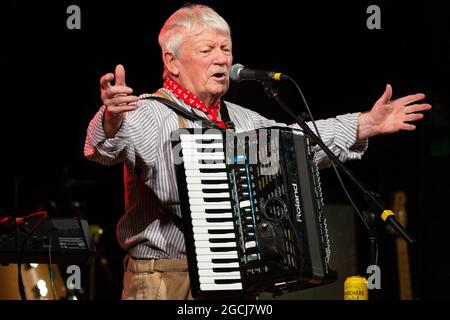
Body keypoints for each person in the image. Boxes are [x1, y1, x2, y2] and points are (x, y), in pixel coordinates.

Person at [84, 4, 431, 300]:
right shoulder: (146, 112)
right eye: (207, 51)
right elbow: (105, 147)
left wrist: (364, 123)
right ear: (172, 62)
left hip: (236, 281)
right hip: (167, 280)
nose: (221, 58)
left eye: (226, 49)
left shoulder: (241, 119)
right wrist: (111, 117)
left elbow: (298, 144)